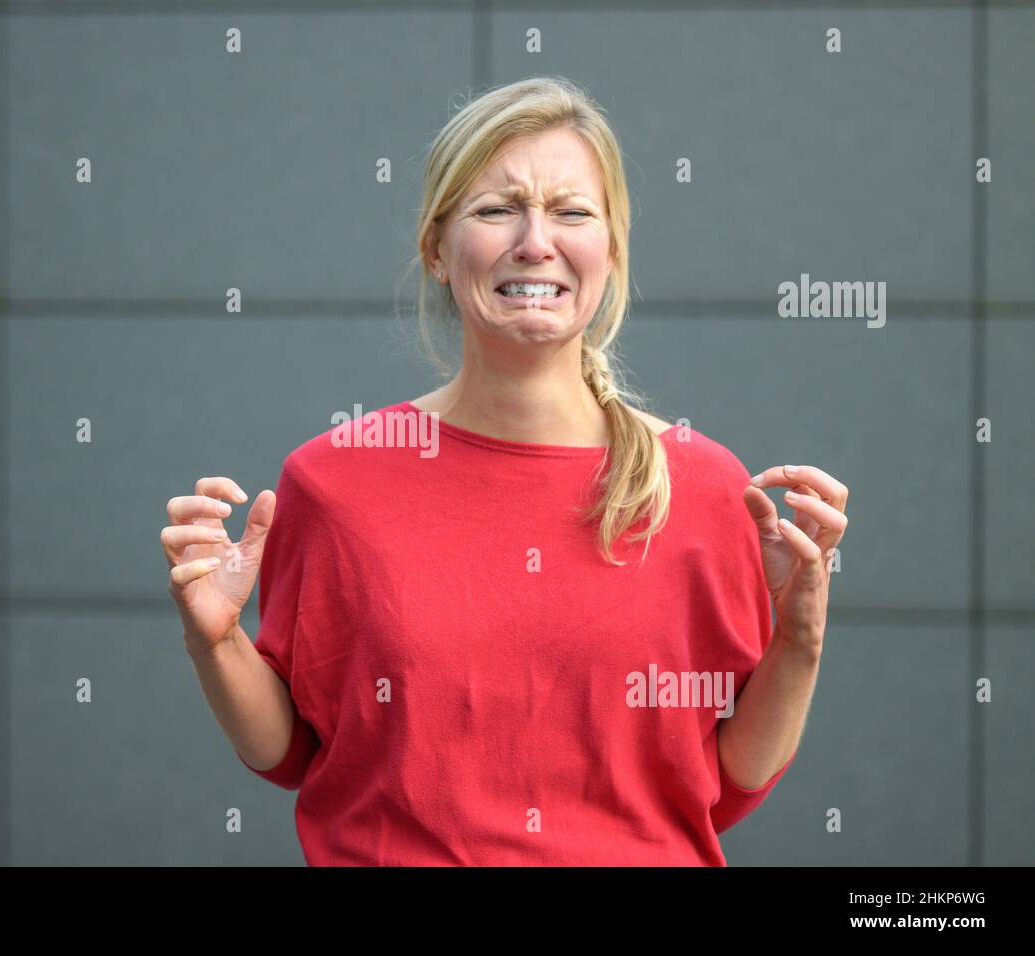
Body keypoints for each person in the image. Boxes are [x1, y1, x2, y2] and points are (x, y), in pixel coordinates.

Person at [162, 76, 849, 866]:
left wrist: (799, 642)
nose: (535, 241)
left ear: (612, 250)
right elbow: (291, 752)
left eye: (571, 212)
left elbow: (730, 782)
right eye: (496, 210)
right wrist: (215, 644)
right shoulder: (335, 481)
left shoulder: (702, 487)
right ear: (436, 249)